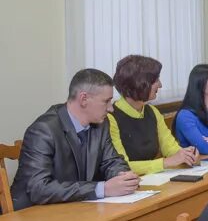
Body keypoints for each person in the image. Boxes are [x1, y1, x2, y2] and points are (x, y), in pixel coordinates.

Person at [11, 69, 138, 209]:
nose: (111, 109)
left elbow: (111, 161)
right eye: (106, 102)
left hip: (74, 207)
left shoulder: (101, 124)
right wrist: (101, 189)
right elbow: (38, 188)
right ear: (84, 99)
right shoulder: (43, 130)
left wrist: (123, 177)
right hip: (31, 215)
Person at [108, 55, 198, 175]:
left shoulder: (153, 112)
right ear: (139, 83)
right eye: (156, 80)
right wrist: (165, 163)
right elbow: (122, 165)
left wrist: (187, 154)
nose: (160, 85)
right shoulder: (111, 118)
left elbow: (170, 148)